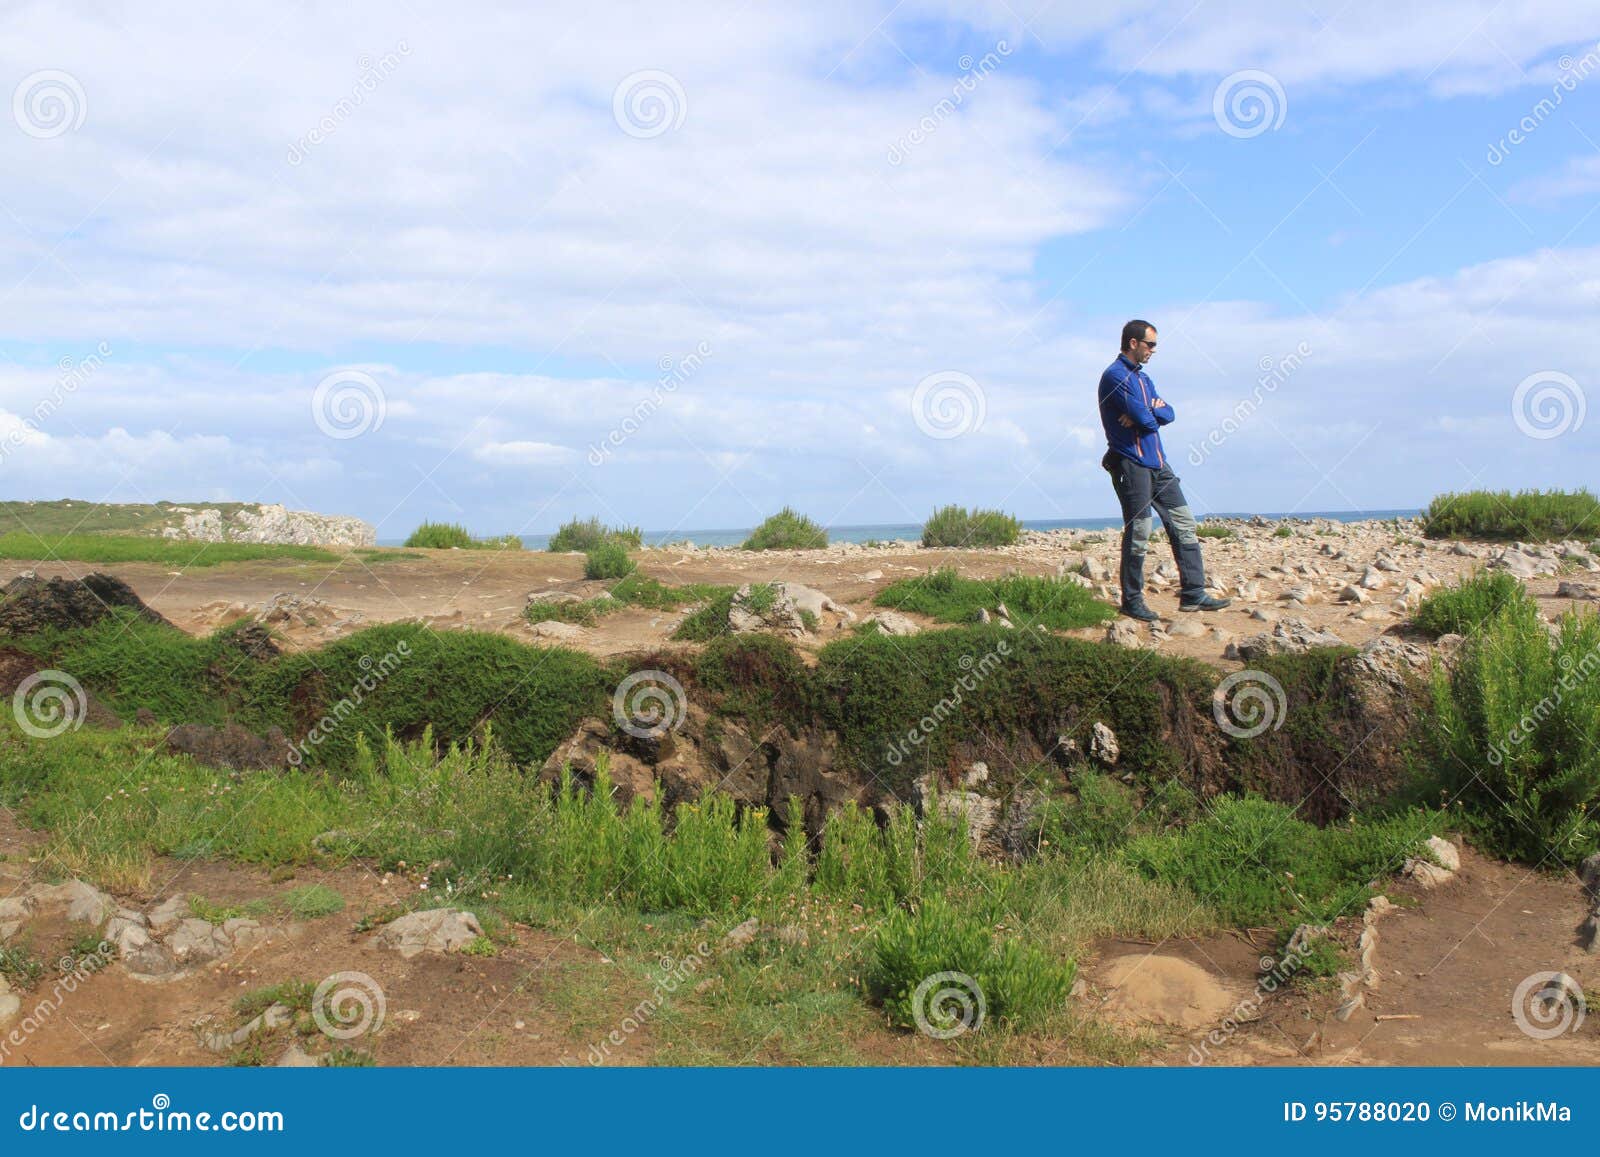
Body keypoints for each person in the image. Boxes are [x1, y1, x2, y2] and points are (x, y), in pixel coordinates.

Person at [1097, 319, 1230, 621]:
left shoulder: (1144, 380)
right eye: (1151, 345)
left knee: (1184, 522)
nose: (1154, 351)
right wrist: (1146, 414)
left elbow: (1168, 412)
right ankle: (1132, 601)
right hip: (1131, 462)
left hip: (1159, 462)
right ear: (1134, 343)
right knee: (1141, 530)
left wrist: (1149, 412)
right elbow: (1145, 420)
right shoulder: (1114, 376)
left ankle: (1194, 594)